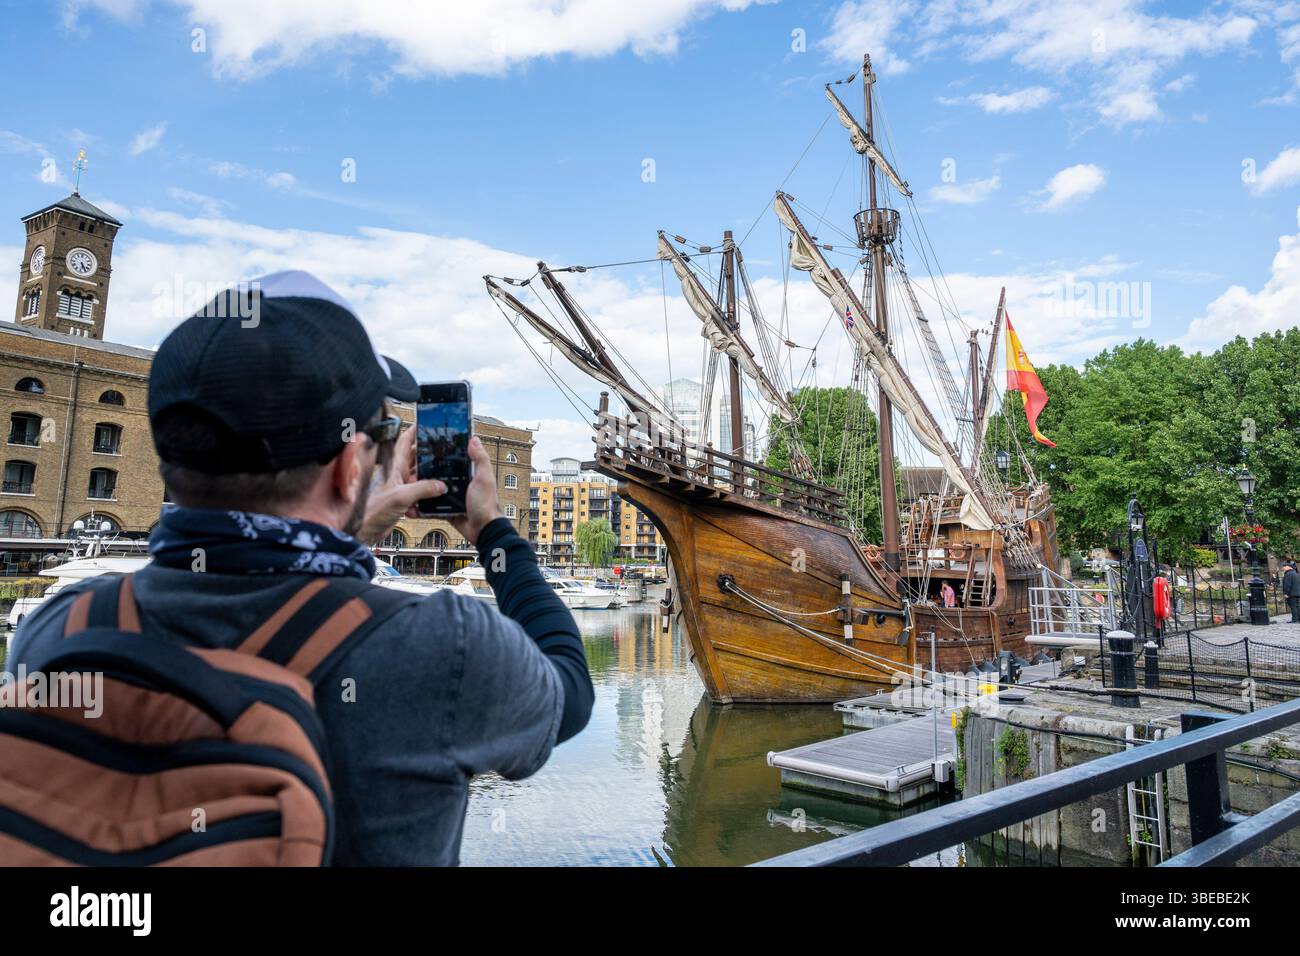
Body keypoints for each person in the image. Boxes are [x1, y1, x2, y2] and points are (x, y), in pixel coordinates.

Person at [10, 271, 593, 866]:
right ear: (348, 467)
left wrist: (348, 531)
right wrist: (493, 532)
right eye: (380, 437)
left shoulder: (62, 627)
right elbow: (568, 693)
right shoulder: (444, 644)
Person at [1284, 559, 1300, 624]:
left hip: (1291, 593)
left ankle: (1295, 619)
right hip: (1297, 593)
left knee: (1293, 606)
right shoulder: (1296, 574)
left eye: (1284, 566)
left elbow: (1287, 584)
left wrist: (1286, 593)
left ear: (1288, 567)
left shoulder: (1288, 574)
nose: (1283, 568)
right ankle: (1298, 618)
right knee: (1297, 606)